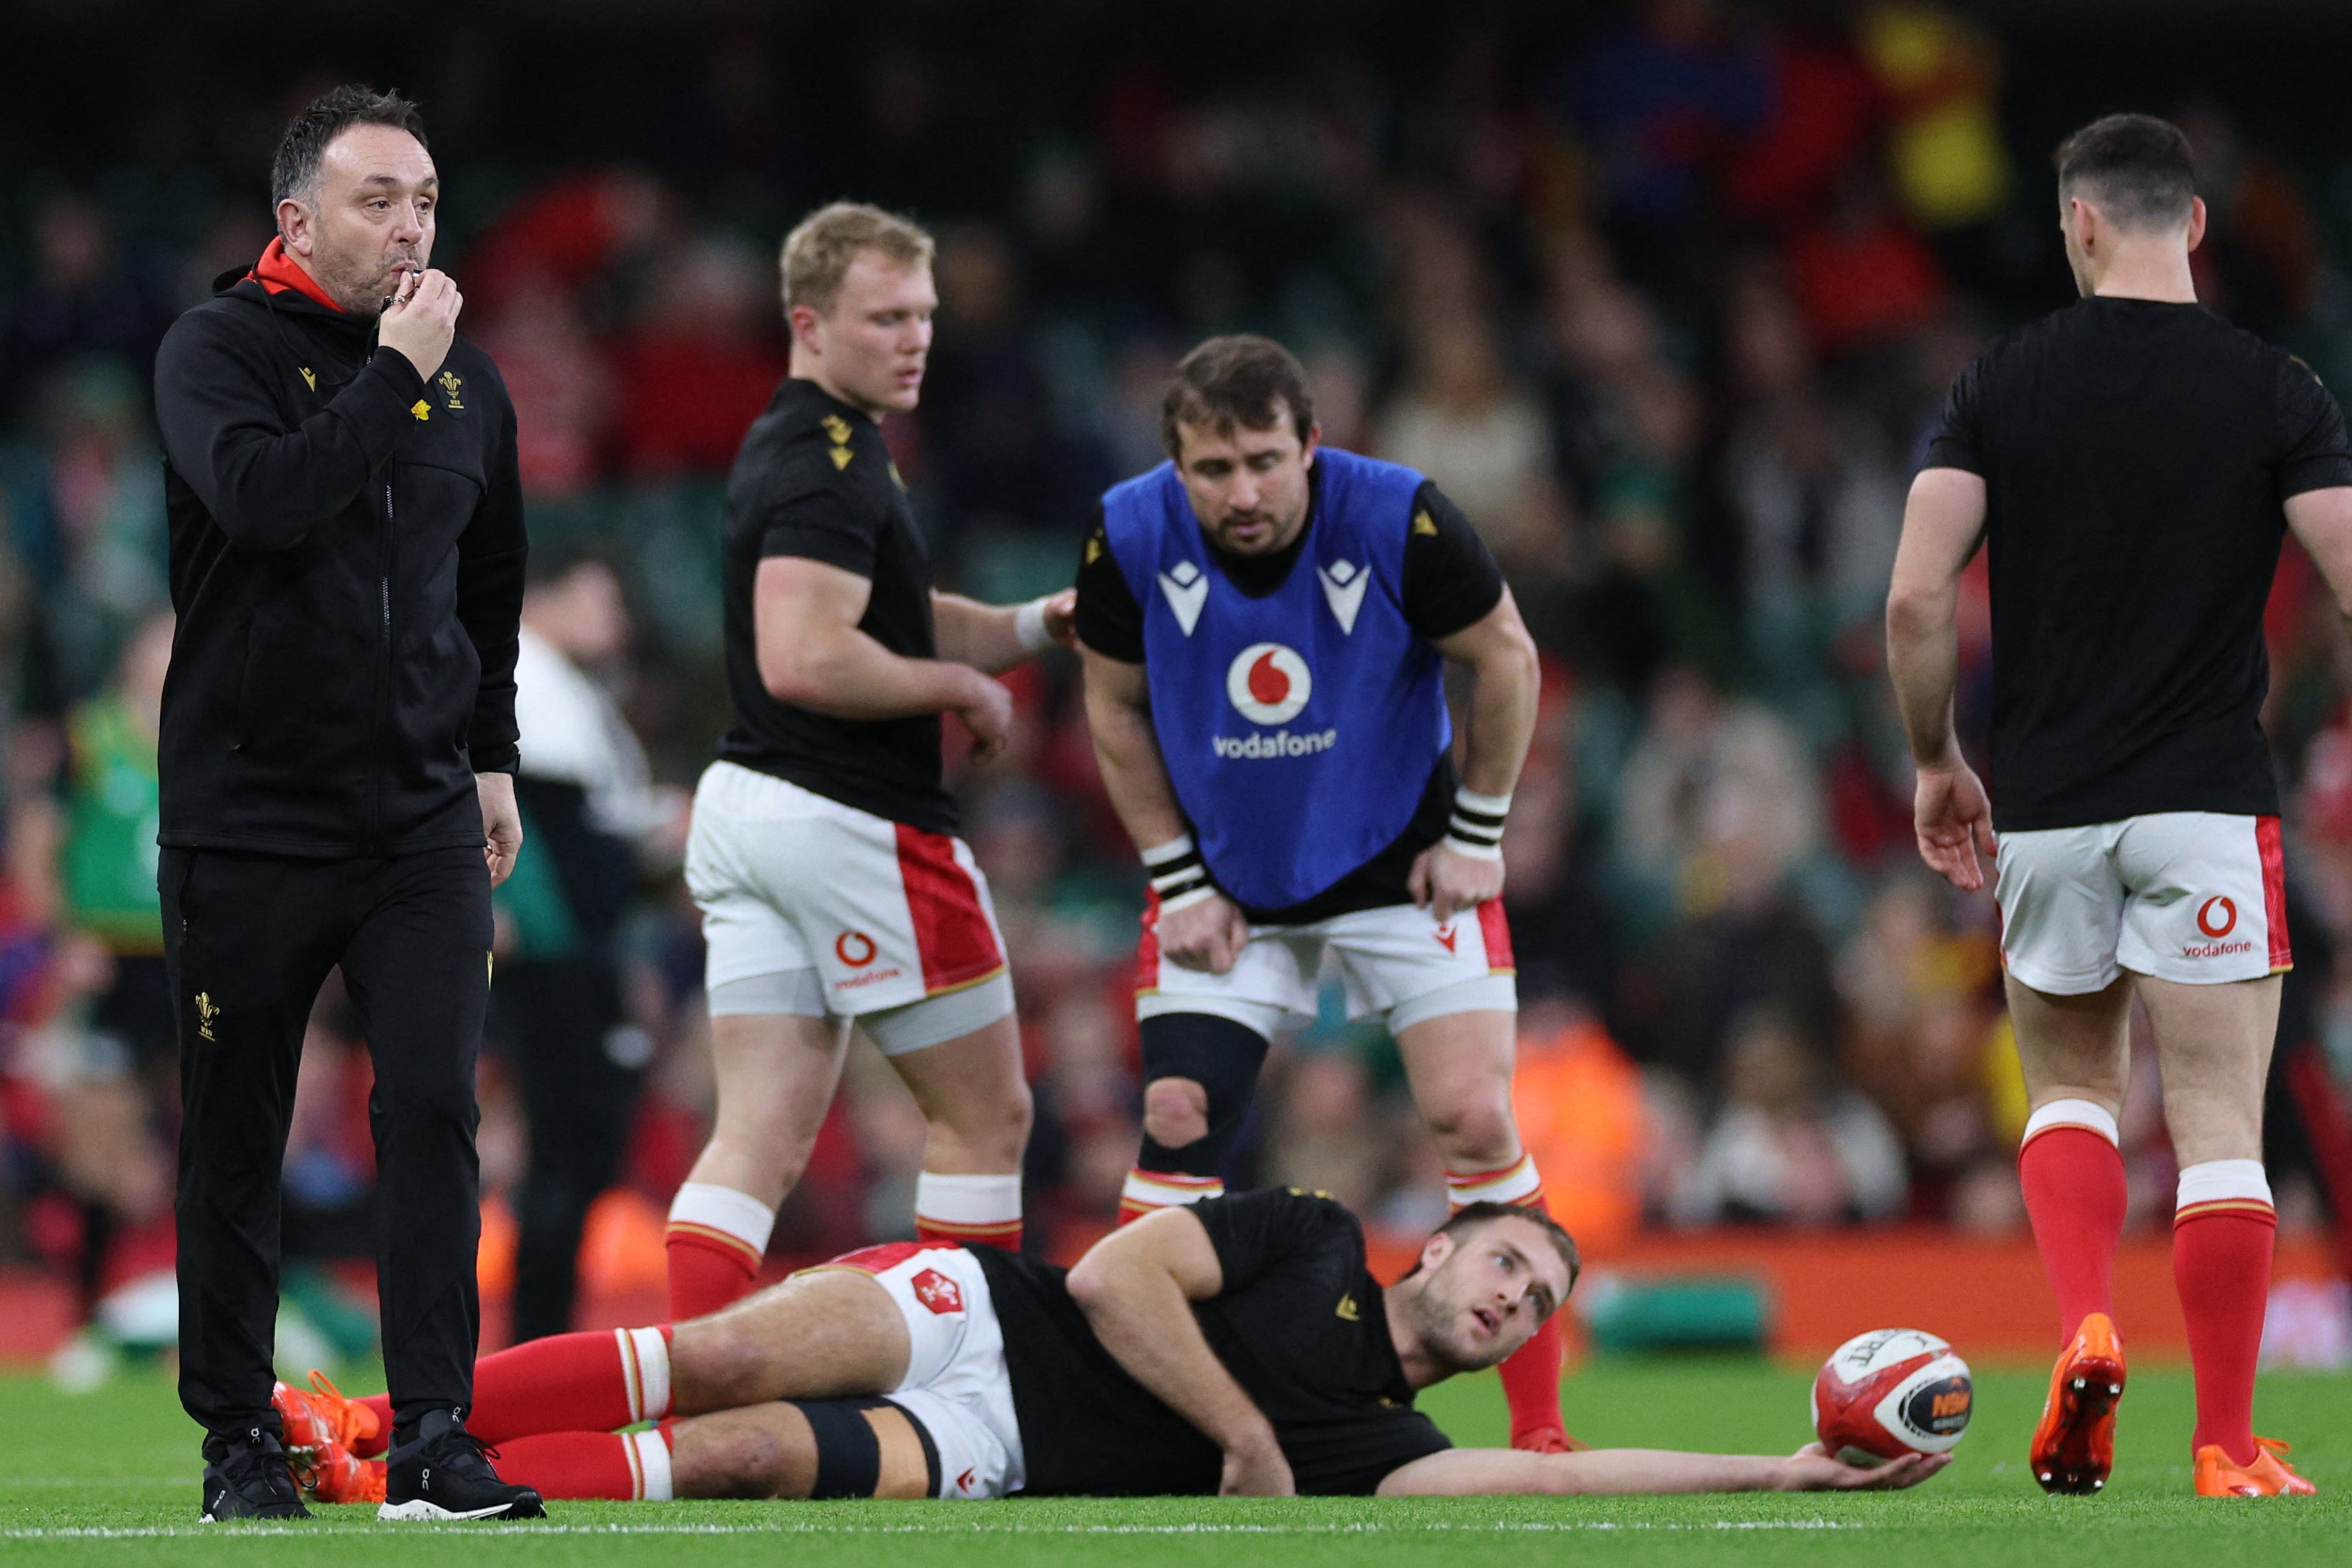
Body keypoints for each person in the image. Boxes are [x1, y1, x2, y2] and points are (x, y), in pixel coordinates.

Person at [1887, 113, 2352, 1500]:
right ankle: (2223, 1440)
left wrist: (1933, 760)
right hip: (2207, 797)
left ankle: (2086, 1314)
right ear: (2194, 226)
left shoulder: (1996, 382)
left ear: (2076, 224)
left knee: (2073, 1090)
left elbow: (1914, 596)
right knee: (2218, 1121)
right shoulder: (2275, 387)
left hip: (2045, 804)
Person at [149, 84, 540, 1522]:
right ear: (296, 220)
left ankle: (435, 1432)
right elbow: (264, 501)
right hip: (246, 819)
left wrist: (489, 753)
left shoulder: (468, 380)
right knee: (237, 1128)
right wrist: (393, 373)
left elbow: (488, 585)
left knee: (435, 1105)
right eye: (379, 199)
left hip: (419, 817)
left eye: (427, 200)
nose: (411, 225)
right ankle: (239, 1439)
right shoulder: (215, 351)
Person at [1071, 335, 1567, 1449]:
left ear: (1310, 447)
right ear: (1174, 464)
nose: (1239, 493)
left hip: (1402, 857)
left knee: (1474, 1115)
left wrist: (1479, 827)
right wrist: (1176, 877)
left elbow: (1507, 657)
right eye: (1211, 469)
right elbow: (1109, 705)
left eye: (1262, 460)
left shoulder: (1400, 516)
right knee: (1177, 1116)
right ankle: (1151, 1421)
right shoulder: (1128, 528)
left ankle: (1536, 1428)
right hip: (1227, 881)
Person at [272, 1188, 1946, 1504]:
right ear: (1437, 1241)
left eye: (1534, 1299)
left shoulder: (1400, 1446)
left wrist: (1785, 1460)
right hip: (973, 1316)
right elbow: (1115, 1283)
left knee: (738, 1458)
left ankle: (388, 1494)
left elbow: (1556, 1472)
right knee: (711, 1359)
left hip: (997, 1456)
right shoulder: (1300, 1235)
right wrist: (1251, 1438)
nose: (1511, 1298)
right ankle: (371, 1413)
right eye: (1505, 1259)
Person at [665, 202, 1075, 1322]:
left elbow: (889, 618)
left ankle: (689, 1396)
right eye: (885, 316)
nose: (915, 339)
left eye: (925, 316)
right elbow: (807, 655)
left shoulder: (830, 447)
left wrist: (1038, 623)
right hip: (851, 819)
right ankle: (969, 1391)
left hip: (750, 809)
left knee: (756, 1136)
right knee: (986, 1117)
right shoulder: (825, 464)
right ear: (807, 321)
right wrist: (961, 687)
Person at [498, 549, 687, 1341]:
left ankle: (544, 1330)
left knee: (580, 1149)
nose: (616, 621)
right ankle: (535, 1334)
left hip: (582, 949)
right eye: (602, 597)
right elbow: (542, 825)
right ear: (556, 591)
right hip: (554, 954)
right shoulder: (524, 679)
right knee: (564, 1147)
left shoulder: (568, 688)